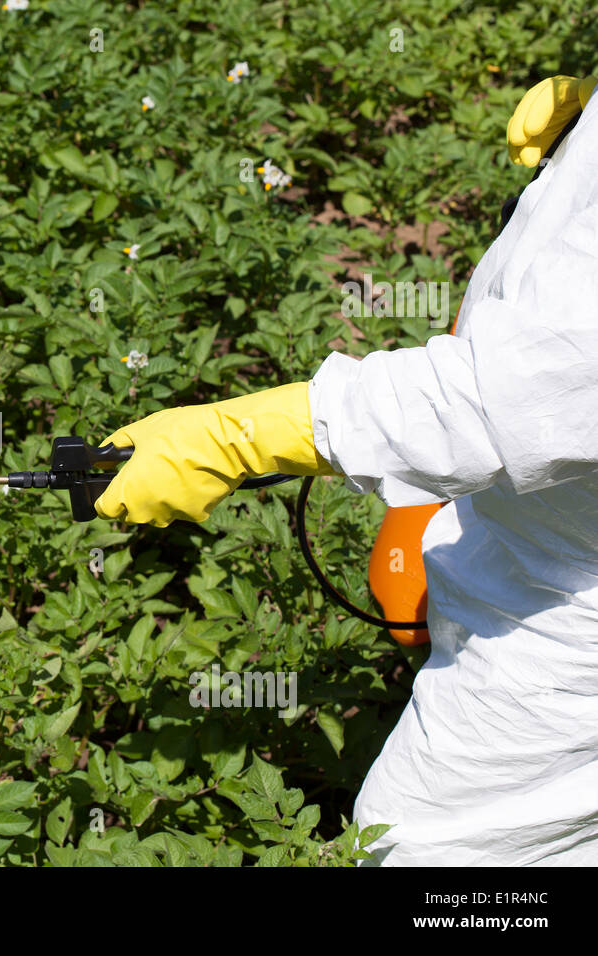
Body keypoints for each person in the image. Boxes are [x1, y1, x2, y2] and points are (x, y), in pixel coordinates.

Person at [94, 75, 598, 865]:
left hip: (573, 617)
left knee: (429, 850)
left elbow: (529, 386)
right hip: (552, 519)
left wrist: (244, 436)